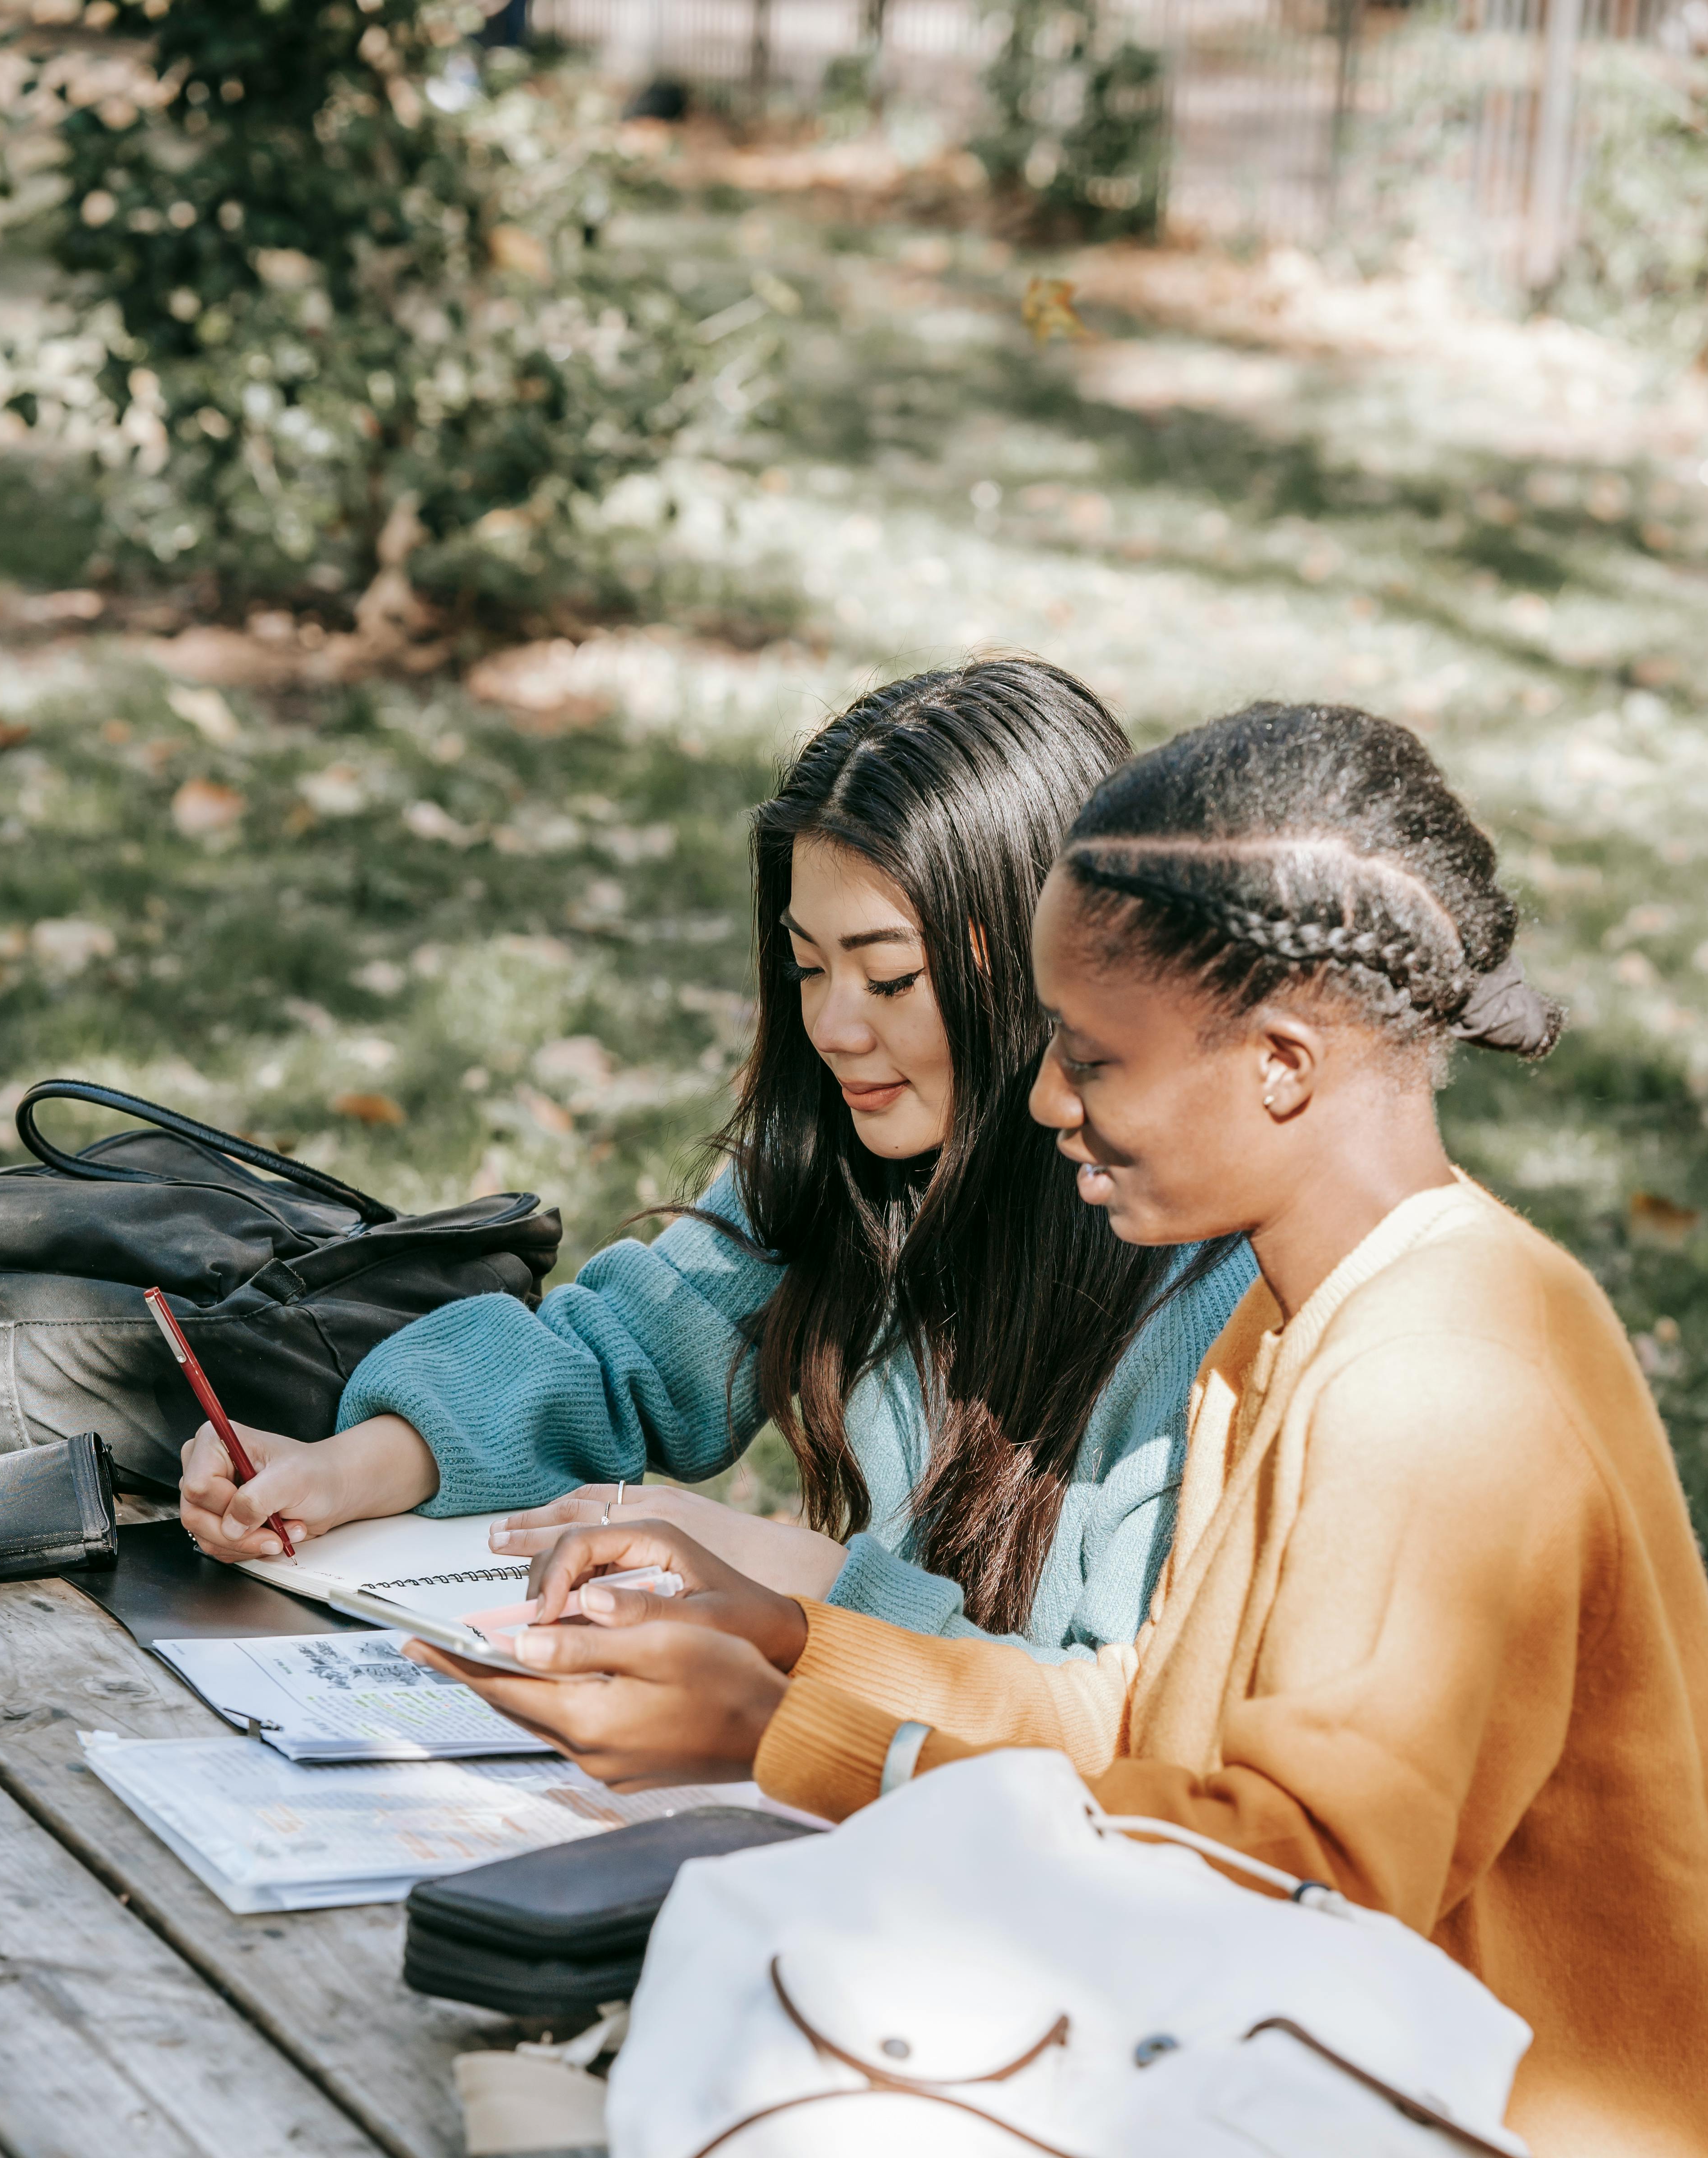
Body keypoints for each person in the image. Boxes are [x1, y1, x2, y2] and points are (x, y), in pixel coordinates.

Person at [414, 700, 1708, 2158]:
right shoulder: (1301, 1308)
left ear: (1282, 1061)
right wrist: (790, 1660)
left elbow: (1304, 1869)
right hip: (1342, 2126)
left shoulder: (1443, 1376)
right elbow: (1143, 1719)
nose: (1041, 1101)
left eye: (1092, 1056)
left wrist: (807, 1739)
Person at [179, 660, 1253, 1656]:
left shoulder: (1205, 1304)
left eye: (886, 980)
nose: (831, 1028)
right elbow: (612, 1365)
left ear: (1044, 973)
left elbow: (1123, 1730)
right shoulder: (848, 1168)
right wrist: (341, 1471)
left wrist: (812, 1585)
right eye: (803, 966)